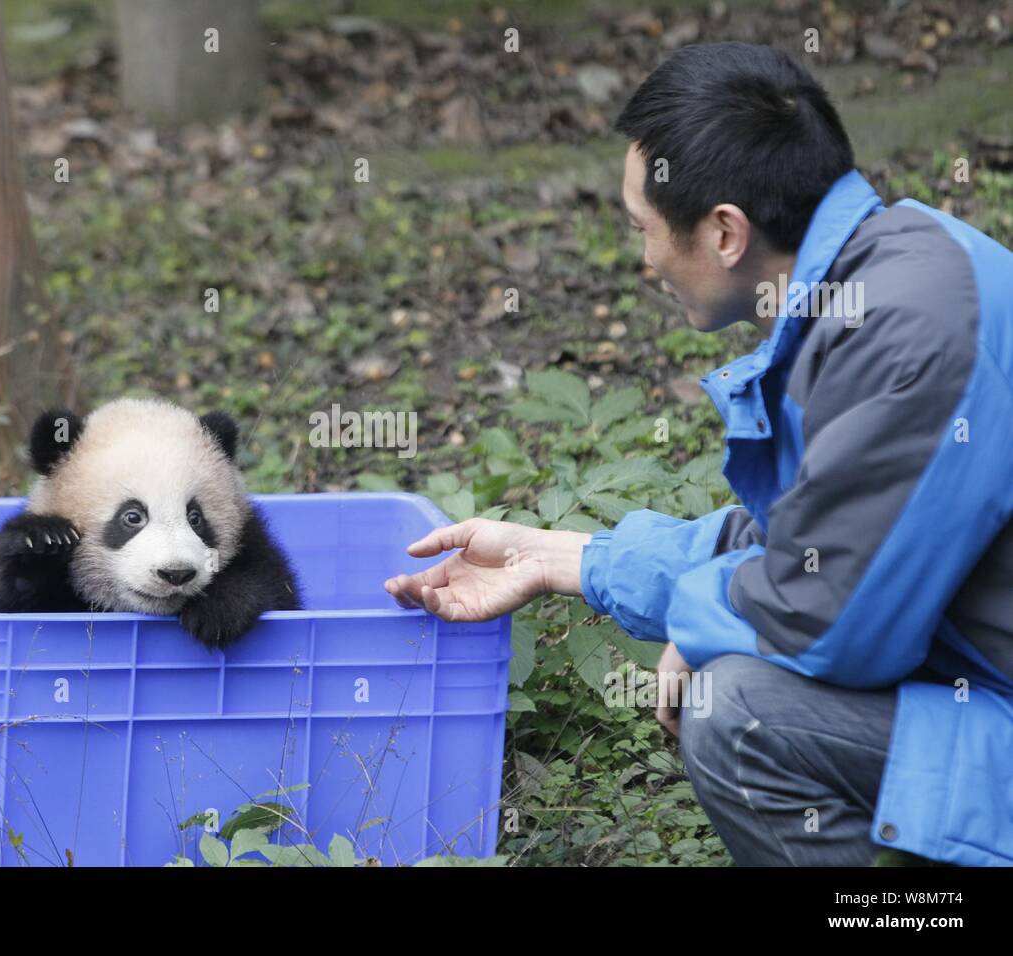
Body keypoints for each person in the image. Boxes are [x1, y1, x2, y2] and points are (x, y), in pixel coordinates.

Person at [385, 41, 1013, 867]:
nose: (644, 261)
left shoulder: (906, 334)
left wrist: (710, 628)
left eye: (643, 230)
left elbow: (828, 622)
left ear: (724, 232)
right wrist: (560, 556)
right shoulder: (891, 271)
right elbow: (806, 542)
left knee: (737, 710)